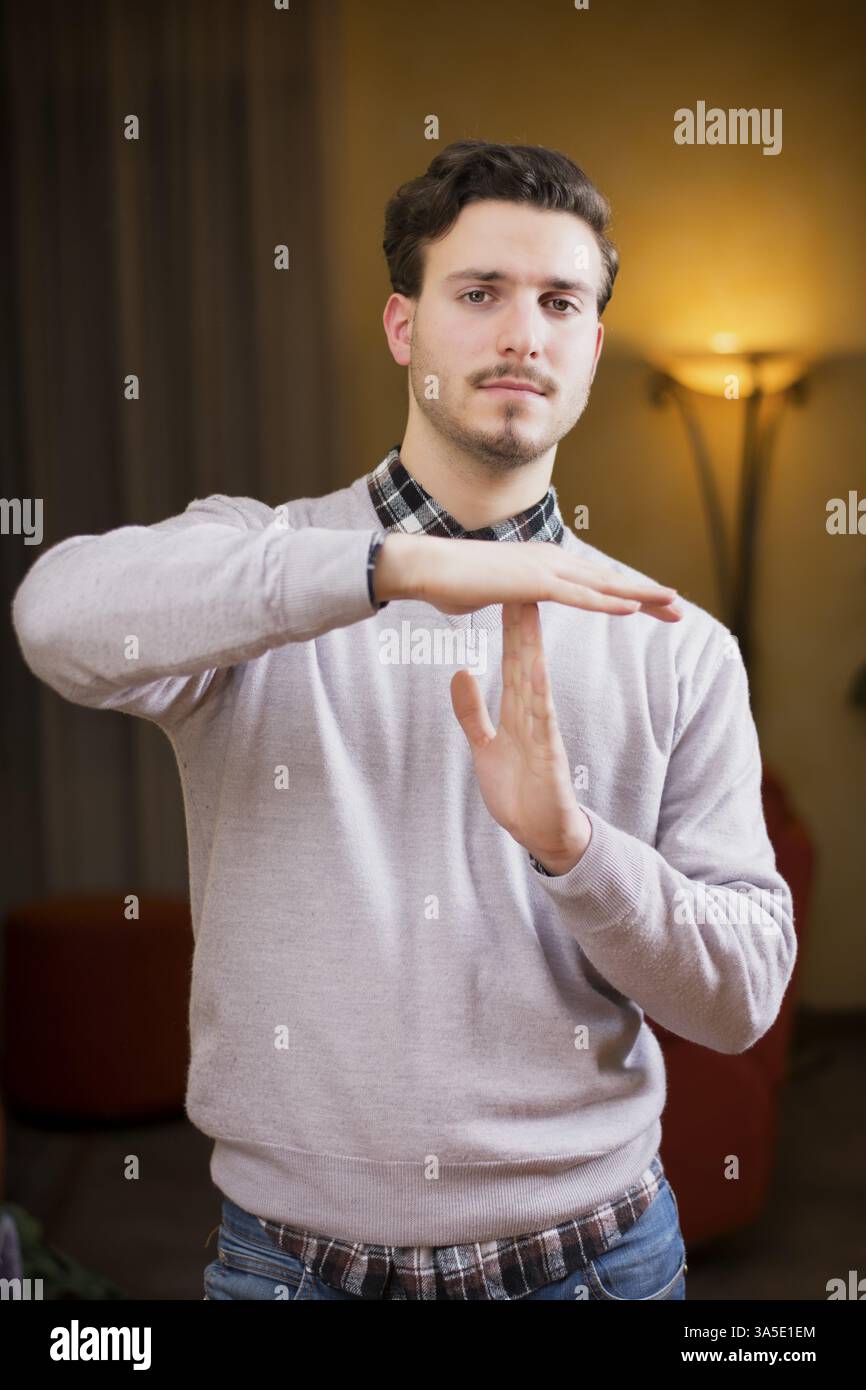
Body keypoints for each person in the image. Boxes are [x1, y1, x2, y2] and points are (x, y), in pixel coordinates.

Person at [11, 139, 796, 1301]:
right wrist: (388, 569)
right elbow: (52, 615)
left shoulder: (672, 642)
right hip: (290, 1272)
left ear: (586, 344)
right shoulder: (264, 574)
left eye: (559, 302)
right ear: (402, 328)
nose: (521, 333)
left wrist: (573, 850)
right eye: (477, 294)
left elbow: (736, 998)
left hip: (595, 1267)